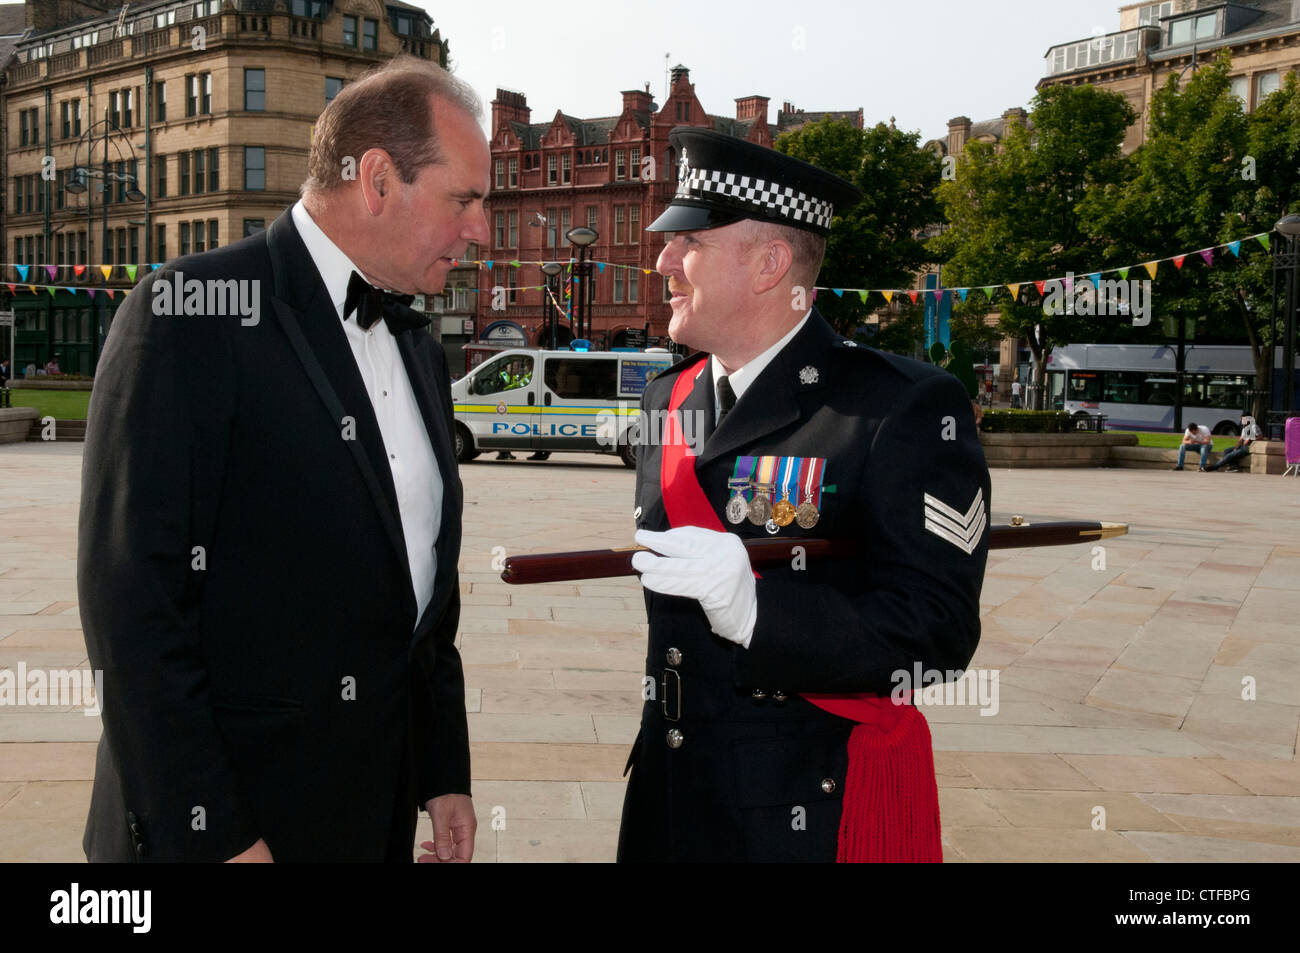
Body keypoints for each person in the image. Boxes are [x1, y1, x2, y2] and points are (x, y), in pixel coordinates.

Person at [78, 56, 487, 862]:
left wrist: (442, 770)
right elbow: (133, 613)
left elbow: (424, 605)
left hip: (369, 820)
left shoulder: (419, 351)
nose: (478, 229)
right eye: (464, 199)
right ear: (376, 179)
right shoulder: (186, 315)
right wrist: (218, 833)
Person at [618, 128, 990, 862]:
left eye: (687, 240)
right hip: (666, 801)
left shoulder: (897, 409)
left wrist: (762, 612)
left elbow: (936, 631)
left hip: (796, 817)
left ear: (769, 264)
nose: (662, 261)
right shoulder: (670, 401)